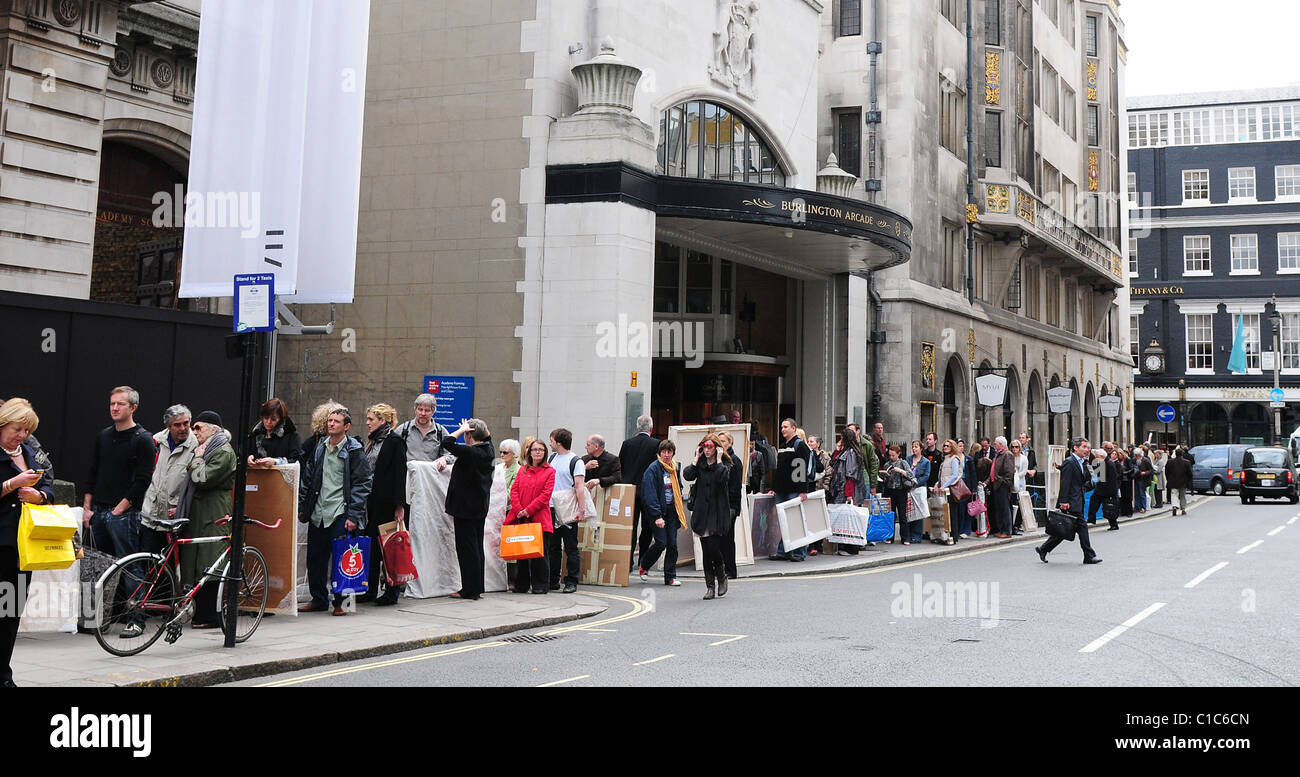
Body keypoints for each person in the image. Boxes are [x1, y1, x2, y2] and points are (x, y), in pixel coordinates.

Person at [1, 398, 55, 687]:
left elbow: (48, 487)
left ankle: (4, 675)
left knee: (9, 614)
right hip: (1, 543)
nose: (22, 435)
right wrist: (12, 484)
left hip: (23, 547)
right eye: (17, 428)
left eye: (27, 430)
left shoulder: (30, 452)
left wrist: (41, 496)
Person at [299, 407, 373, 616]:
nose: (331, 424)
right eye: (330, 420)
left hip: (340, 510)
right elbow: (308, 476)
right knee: (315, 558)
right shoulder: (320, 447)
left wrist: (353, 516)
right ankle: (319, 599)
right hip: (319, 510)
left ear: (346, 427)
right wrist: (304, 507)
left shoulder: (354, 449)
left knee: (342, 557)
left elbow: (363, 483)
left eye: (336, 421)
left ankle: (340, 602)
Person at [82, 386, 156, 563]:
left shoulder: (143, 439)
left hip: (125, 515)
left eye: (120, 404)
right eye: (112, 404)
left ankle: (136, 593)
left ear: (133, 407)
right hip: (98, 512)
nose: (114, 408)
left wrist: (119, 509)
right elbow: (93, 472)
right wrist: (87, 508)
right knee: (96, 567)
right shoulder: (103, 436)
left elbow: (143, 480)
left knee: (129, 568)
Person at [177, 411, 237, 628]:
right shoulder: (209, 449)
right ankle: (199, 612)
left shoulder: (222, 452)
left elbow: (201, 478)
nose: (194, 432)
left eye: (198, 427)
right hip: (200, 511)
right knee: (195, 560)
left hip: (213, 512)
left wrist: (197, 460)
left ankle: (209, 615)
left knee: (210, 561)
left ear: (213, 429)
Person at [441, 418, 496, 600]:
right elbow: (487, 437)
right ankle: (476, 587)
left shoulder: (470, 452)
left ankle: (469, 590)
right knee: (476, 547)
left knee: (466, 550)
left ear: (469, 435)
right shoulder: (488, 449)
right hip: (479, 506)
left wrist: (461, 430)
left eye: (466, 433)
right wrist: (474, 428)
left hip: (464, 507)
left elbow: (447, 442)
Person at [138, 405, 198, 571]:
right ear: (168, 426)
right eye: (177, 425)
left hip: (174, 521)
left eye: (186, 423)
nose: (183, 428)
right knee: (147, 566)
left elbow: (198, 484)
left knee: (170, 570)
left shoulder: (196, 446)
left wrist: (181, 506)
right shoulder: (156, 440)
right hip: (150, 516)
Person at [362, 404, 408, 605]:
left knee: (389, 548)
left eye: (371, 419)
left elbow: (400, 473)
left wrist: (400, 505)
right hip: (371, 502)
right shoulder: (372, 441)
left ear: (383, 420)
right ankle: (369, 589)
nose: (367, 422)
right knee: (371, 547)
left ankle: (392, 592)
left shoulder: (395, 441)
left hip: (387, 503)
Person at [683, 434, 733, 600]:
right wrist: (695, 459)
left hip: (717, 512)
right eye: (704, 446)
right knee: (705, 551)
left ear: (717, 448)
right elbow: (688, 475)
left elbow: (723, 478)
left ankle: (722, 575)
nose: (707, 450)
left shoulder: (724, 464)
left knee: (713, 548)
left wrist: (719, 459)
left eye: (710, 446)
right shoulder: (700, 464)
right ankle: (710, 587)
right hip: (702, 512)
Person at [1036, 437, 1101, 564]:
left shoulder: (1083, 463)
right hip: (1071, 502)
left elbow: (1083, 482)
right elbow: (1065, 483)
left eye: (1088, 447)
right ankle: (1089, 555)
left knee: (1066, 529)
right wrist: (1063, 501)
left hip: (1078, 499)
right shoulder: (1069, 462)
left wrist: (1091, 479)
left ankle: (1044, 549)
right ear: (1075, 448)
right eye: (1084, 447)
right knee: (1081, 527)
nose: (1087, 449)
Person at [506, 438, 555, 594]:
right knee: (522, 553)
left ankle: (540, 585)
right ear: (529, 452)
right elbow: (514, 491)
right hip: (521, 516)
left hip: (539, 518)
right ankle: (522, 584)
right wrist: (519, 509)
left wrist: (528, 510)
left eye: (541, 449)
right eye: (535, 449)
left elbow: (545, 495)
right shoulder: (523, 470)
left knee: (540, 554)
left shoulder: (550, 471)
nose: (538, 452)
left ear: (545, 452)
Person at [639, 440, 685, 586]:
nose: (666, 455)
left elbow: (679, 486)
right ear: (659, 453)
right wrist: (657, 516)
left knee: (672, 544)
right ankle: (644, 565)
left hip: (672, 511)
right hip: (657, 512)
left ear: (673, 453)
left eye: (669, 452)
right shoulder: (653, 469)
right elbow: (649, 494)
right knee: (661, 543)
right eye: (664, 452)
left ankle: (670, 576)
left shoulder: (674, 468)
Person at [617, 415, 660, 569]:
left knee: (631, 526)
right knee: (647, 527)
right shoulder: (656, 444)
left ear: (637, 428)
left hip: (629, 491)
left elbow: (619, 465)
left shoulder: (627, 443)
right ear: (651, 428)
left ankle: (628, 562)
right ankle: (643, 559)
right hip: (648, 491)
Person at [769, 418, 814, 561]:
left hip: (794, 489)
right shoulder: (783, 446)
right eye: (782, 427)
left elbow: (801, 470)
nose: (783, 429)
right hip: (782, 489)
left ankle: (800, 553)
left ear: (794, 428)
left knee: (795, 521)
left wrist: (803, 491)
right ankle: (784, 551)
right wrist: (774, 488)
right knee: (785, 522)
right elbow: (780, 470)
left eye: (786, 427)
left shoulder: (800, 446)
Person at [546, 428, 584, 593]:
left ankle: (571, 582)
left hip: (568, 510)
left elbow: (580, 488)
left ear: (559, 443)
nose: (550, 443)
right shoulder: (552, 457)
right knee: (553, 547)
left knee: (570, 547)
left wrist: (581, 510)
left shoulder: (576, 461)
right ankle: (553, 580)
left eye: (552, 440)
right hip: (551, 508)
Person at [830, 428, 869, 555]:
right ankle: (846, 546)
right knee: (844, 518)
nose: (840, 440)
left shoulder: (851, 453)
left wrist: (848, 494)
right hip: (841, 488)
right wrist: (837, 449)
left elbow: (850, 475)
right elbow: (833, 462)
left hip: (846, 490)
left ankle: (849, 547)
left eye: (841, 437)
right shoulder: (845, 451)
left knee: (848, 519)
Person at [394, 393, 454, 462]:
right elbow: (391, 451)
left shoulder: (441, 432)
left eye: (427, 410)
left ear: (433, 411)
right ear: (415, 410)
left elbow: (452, 455)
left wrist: (444, 459)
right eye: (420, 409)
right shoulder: (403, 429)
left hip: (431, 472)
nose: (423, 413)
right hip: (408, 472)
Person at [247, 397, 303, 469]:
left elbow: (297, 462)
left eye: (273, 419)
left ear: (280, 419)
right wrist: (249, 458)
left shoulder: (292, 436)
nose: (268, 422)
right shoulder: (255, 434)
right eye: (266, 418)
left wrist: (275, 461)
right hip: (258, 477)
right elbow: (246, 454)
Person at [717, 431, 743, 578]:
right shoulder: (720, 459)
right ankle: (722, 569)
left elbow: (735, 487)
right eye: (719, 441)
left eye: (724, 441)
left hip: (730, 506)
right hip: (719, 506)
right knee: (719, 540)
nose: (721, 444)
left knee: (727, 540)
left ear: (730, 443)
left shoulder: (734, 460)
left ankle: (730, 570)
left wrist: (732, 507)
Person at [881, 445, 915, 545]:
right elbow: (884, 479)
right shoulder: (887, 464)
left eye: (893, 455)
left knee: (902, 515)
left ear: (898, 454)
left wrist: (900, 471)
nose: (891, 457)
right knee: (891, 515)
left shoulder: (903, 463)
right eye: (890, 455)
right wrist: (884, 476)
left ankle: (905, 537)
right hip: (890, 490)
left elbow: (910, 475)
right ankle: (890, 537)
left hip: (901, 491)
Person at [806, 434, 831, 555]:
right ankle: (811, 545)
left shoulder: (824, 456)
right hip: (810, 490)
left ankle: (818, 544)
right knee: (810, 519)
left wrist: (825, 488)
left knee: (819, 519)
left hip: (820, 490)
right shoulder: (807, 454)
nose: (809, 443)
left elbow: (828, 473)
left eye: (811, 441)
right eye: (808, 441)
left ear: (818, 444)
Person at [937, 439, 965, 543]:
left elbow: (954, 475)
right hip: (944, 489)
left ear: (952, 447)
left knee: (952, 513)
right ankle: (946, 535)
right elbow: (942, 475)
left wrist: (944, 485)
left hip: (951, 489)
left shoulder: (954, 459)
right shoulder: (945, 459)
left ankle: (954, 536)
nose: (945, 447)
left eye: (948, 446)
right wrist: (938, 484)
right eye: (944, 446)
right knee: (945, 513)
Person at [990, 436, 1016, 538]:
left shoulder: (1007, 455)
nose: (994, 445)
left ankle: (1006, 531)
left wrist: (1000, 480)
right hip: (996, 485)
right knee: (999, 508)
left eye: (996, 443)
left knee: (1004, 508)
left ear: (1001, 445)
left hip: (1003, 486)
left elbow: (1009, 473)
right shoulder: (998, 455)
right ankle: (1001, 529)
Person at [907, 441, 931, 543]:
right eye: (913, 447)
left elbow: (926, 475)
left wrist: (916, 482)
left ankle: (917, 535)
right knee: (909, 511)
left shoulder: (926, 462)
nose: (914, 449)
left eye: (916, 447)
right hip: (909, 488)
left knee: (919, 511)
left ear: (921, 449)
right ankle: (908, 534)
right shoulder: (908, 459)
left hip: (919, 488)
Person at [1165, 448, 1193, 516]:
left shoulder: (1170, 461)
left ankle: (1174, 506)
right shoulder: (1187, 462)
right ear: (1182, 454)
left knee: (1174, 494)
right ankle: (1183, 509)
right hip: (1183, 482)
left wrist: (1168, 479)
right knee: (1182, 496)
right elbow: (1190, 473)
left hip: (1173, 481)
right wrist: (1188, 480)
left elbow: (1166, 472)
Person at [1010, 438, 1028, 534]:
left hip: (1020, 483)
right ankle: (1011, 524)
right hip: (1010, 484)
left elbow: (1024, 472)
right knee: (1012, 503)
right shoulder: (1009, 457)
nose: (1014, 449)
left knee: (1019, 504)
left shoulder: (1023, 458)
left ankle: (1017, 524)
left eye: (1016, 447)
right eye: (1012, 447)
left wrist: (1015, 475)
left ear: (1019, 448)